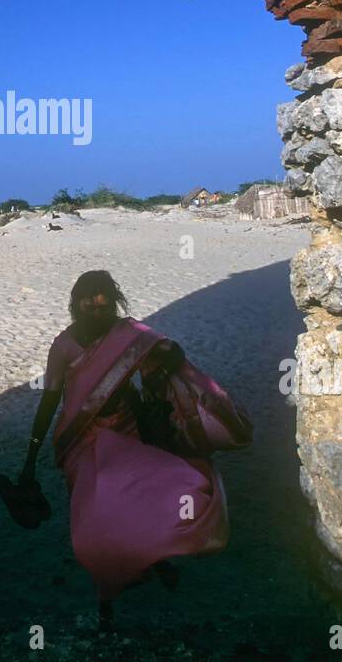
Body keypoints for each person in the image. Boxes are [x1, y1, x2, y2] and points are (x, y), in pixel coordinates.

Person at [19, 270, 243, 632]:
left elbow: (172, 353)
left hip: (129, 429)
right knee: (98, 515)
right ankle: (107, 592)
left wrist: (162, 370)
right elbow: (49, 402)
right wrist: (30, 459)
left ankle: (153, 556)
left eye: (102, 295)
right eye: (86, 297)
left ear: (114, 298)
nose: (94, 303)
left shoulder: (129, 335)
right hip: (82, 439)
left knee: (162, 490)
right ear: (74, 303)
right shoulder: (63, 346)